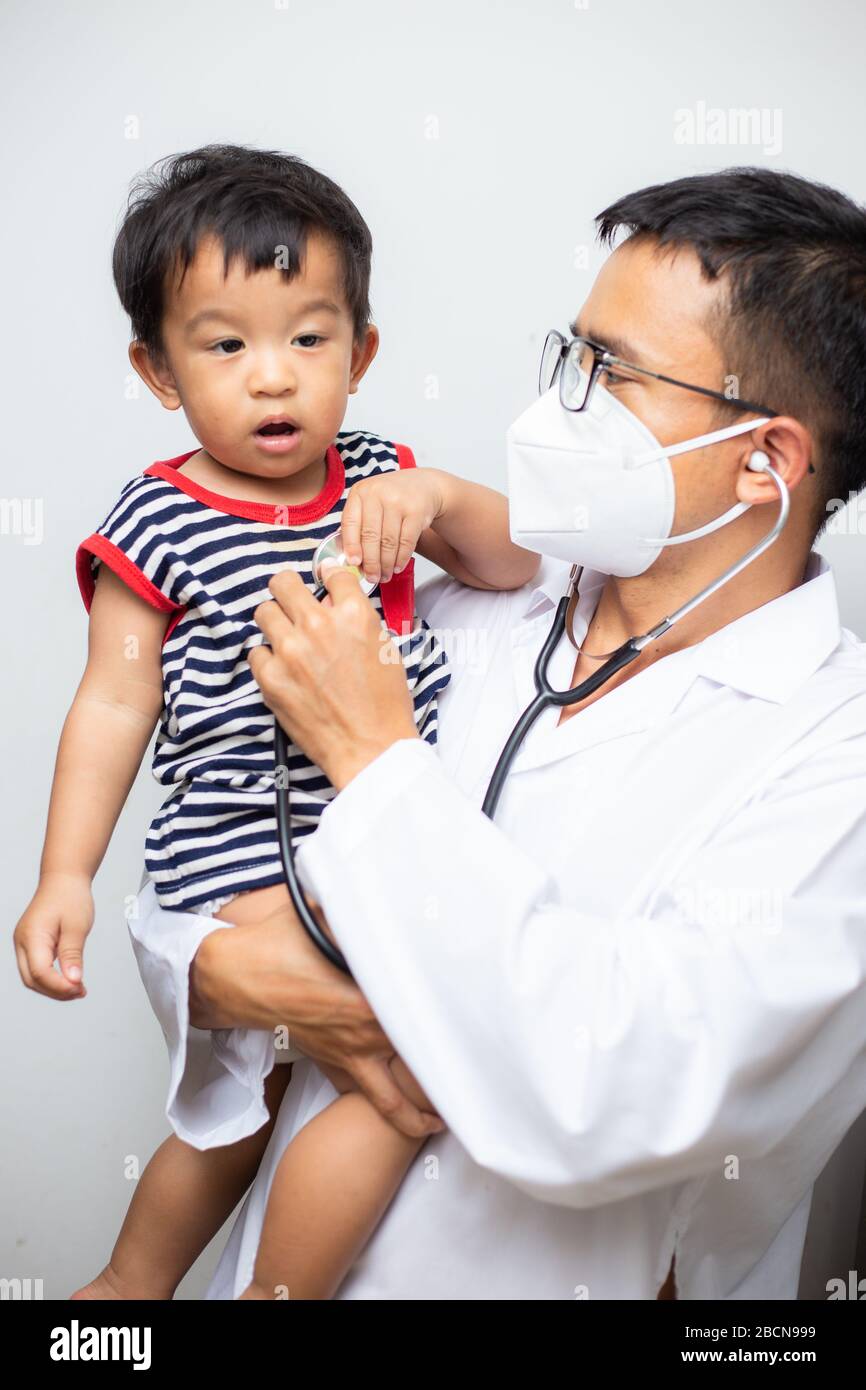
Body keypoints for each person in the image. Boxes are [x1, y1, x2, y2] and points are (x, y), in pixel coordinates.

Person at [12, 143, 540, 1301]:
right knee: (398, 1073)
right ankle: (195, 1290)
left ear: (361, 350)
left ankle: (130, 1292)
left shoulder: (378, 479)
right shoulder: (157, 517)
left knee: (255, 1108)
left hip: (381, 842)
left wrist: (439, 495)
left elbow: (518, 567)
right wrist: (65, 877)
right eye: (226, 344)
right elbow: (111, 699)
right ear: (158, 371)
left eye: (308, 339)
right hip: (241, 853)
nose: (272, 378)